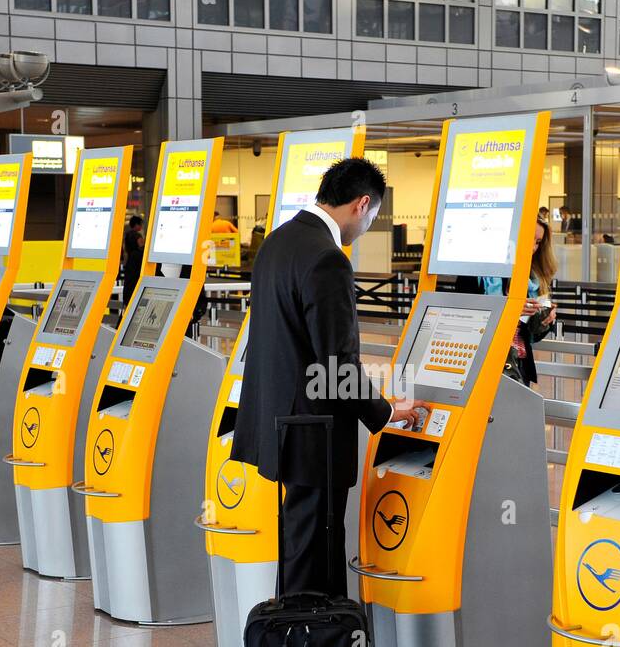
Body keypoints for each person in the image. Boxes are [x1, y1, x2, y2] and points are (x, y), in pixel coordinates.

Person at [232, 158, 429, 596]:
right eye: (374, 216)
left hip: (280, 424)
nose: (368, 227)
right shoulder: (328, 260)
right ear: (362, 204)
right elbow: (338, 365)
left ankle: (302, 644)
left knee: (301, 543)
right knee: (314, 553)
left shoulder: (278, 242)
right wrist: (385, 411)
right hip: (313, 435)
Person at [454, 211, 559, 386]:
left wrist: (545, 319)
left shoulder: (531, 279)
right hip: (482, 364)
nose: (533, 247)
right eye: (529, 239)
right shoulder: (474, 274)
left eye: (538, 242)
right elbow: (465, 319)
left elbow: (531, 335)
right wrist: (508, 310)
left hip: (518, 366)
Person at [120, 215, 145, 317]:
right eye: (140, 224)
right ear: (137, 225)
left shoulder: (127, 235)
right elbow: (142, 248)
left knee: (129, 287)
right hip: (137, 264)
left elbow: (125, 250)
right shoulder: (138, 236)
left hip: (129, 264)